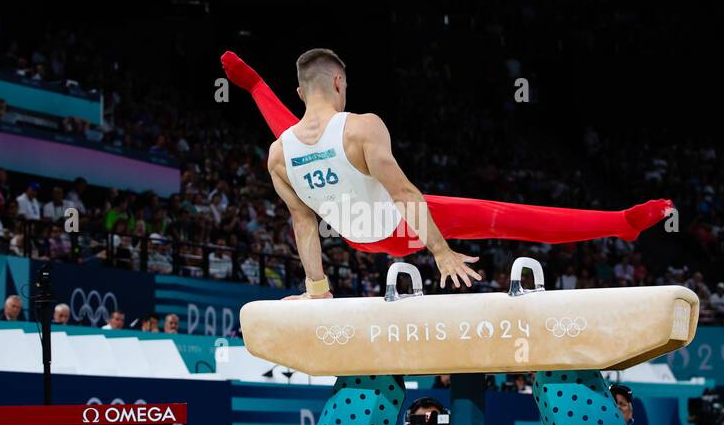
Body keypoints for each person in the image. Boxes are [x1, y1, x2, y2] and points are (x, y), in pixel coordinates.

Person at [222, 50, 673, 295]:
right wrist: (439, 251)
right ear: (339, 83)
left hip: (354, 235)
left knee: (293, 144)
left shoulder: (277, 154)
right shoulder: (362, 126)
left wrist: (317, 288)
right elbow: (405, 194)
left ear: (300, 90)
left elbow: (304, 223)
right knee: (507, 217)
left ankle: (256, 86)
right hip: (400, 226)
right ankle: (621, 224)